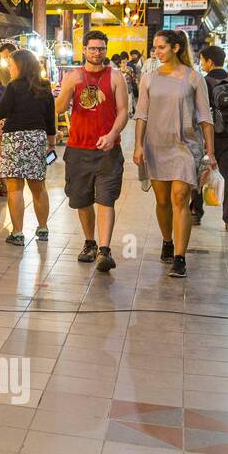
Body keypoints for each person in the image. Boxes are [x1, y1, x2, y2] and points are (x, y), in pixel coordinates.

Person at [134, 30, 215, 278]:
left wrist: (210, 151)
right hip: (156, 145)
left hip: (185, 146)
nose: (156, 52)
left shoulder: (194, 78)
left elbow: (204, 115)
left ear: (176, 48)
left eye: (161, 47)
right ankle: (167, 240)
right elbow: (141, 114)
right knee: (162, 201)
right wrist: (138, 145)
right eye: (155, 48)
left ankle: (180, 257)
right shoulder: (148, 78)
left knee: (180, 197)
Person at [55, 30, 130, 273]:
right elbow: (57, 109)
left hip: (108, 150)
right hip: (78, 148)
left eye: (101, 48)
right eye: (92, 48)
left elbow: (123, 111)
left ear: (106, 50)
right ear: (84, 50)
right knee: (82, 200)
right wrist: (68, 89)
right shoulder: (73, 76)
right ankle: (89, 242)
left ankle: (105, 250)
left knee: (106, 199)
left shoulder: (116, 77)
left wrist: (112, 135)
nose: (97, 52)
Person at [0, 48, 55, 245]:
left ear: (20, 66)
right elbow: (50, 120)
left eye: (11, 66)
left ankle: (18, 232)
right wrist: (51, 144)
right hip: (37, 138)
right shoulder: (45, 87)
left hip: (14, 139)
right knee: (38, 187)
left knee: (15, 189)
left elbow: (0, 112)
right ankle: (43, 229)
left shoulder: (13, 87)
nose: (10, 70)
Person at [188, 45, 228, 231]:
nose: (201, 64)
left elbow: (197, 113)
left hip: (206, 139)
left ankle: (196, 213)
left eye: (202, 60)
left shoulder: (201, 83)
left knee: (199, 176)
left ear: (210, 61)